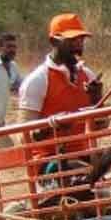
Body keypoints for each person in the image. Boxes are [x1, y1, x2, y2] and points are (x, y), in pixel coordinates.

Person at [18, 13, 103, 161]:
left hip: (83, 155)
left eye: (80, 39)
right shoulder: (38, 80)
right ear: (54, 41)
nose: (78, 44)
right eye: (71, 40)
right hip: (48, 161)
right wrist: (51, 126)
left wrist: (97, 99)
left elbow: (102, 125)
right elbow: (23, 136)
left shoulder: (88, 75)